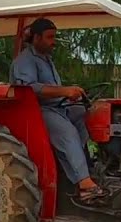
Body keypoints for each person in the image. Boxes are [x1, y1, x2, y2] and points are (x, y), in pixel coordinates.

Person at [11, 17, 108, 204]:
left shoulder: (46, 59)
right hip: (36, 111)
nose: (53, 41)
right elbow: (29, 89)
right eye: (49, 37)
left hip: (56, 106)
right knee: (67, 131)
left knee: (84, 113)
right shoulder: (25, 60)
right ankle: (85, 185)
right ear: (37, 37)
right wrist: (65, 90)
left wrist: (72, 92)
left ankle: (87, 165)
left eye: (54, 37)